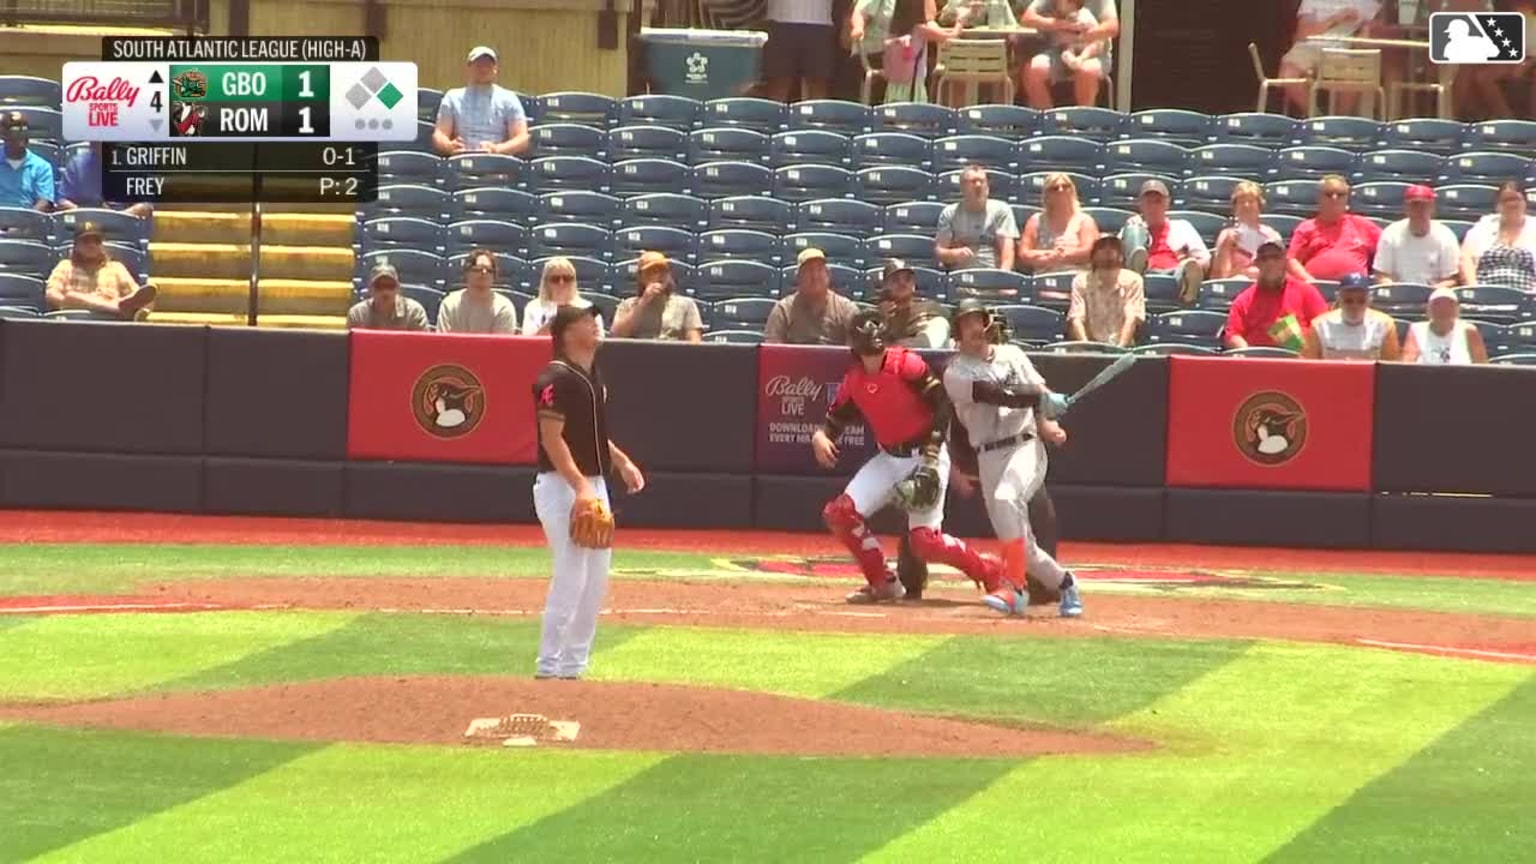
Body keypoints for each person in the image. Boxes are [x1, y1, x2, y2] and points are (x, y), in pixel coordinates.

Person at [810, 309, 1005, 604]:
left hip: (926, 455)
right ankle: (882, 582)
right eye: (868, 350)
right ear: (857, 350)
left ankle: (990, 572)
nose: (875, 356)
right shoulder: (855, 381)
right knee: (840, 513)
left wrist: (931, 454)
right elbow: (835, 420)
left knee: (925, 541)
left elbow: (941, 406)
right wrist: (820, 436)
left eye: (878, 349)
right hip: (889, 458)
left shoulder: (906, 365)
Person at [942, 299, 1083, 617]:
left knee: (1007, 498)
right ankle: (1066, 584)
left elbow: (1037, 389)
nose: (975, 329)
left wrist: (1047, 412)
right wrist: (1042, 398)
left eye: (978, 321)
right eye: (967, 324)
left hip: (1024, 446)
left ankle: (1015, 588)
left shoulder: (1013, 355)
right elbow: (996, 394)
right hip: (988, 457)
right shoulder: (955, 373)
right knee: (1022, 544)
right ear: (957, 335)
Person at [531, 304, 645, 680]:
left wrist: (622, 462)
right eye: (584, 321)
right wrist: (580, 486)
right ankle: (548, 666)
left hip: (593, 483)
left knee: (595, 579)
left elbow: (594, 434)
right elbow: (552, 439)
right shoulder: (553, 378)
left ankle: (573, 666)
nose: (594, 325)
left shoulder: (593, 376)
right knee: (571, 575)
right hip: (562, 485)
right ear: (566, 333)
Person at [1224, 241, 1330, 350]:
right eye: (1264, 259)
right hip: (1258, 362)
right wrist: (1246, 352)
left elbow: (1324, 330)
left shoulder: (1306, 292)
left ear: (1285, 261)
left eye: (1276, 257)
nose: (1270, 262)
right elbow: (1233, 334)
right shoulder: (1244, 299)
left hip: (1296, 360)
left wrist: (1291, 337)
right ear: (1257, 264)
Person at [43, 221, 158, 320]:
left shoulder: (116, 268)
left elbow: (138, 295)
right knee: (72, 297)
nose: (91, 245)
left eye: (96, 241)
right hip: (75, 323)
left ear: (102, 245)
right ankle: (117, 308)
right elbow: (51, 295)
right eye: (86, 241)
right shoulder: (66, 266)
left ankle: (120, 309)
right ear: (76, 246)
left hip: (109, 325)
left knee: (145, 299)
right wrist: (69, 303)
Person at [1119, 178, 1210, 303]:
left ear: (1167, 203)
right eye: (1148, 202)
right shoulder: (1131, 227)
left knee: (1187, 267)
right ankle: (1136, 274)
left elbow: (1205, 259)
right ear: (1140, 204)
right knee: (1134, 239)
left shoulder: (1182, 226)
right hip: (1145, 271)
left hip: (1173, 273)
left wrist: (1188, 263)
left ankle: (1188, 291)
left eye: (1158, 201)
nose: (1153, 207)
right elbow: (1115, 258)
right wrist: (1133, 230)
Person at [1019, 0, 1120, 108]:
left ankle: (1082, 121)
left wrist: (1081, 36)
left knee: (1086, 71)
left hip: (1094, 52)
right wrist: (1063, 25)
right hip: (1060, 50)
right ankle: (1048, 121)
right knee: (1033, 70)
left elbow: (1112, 28)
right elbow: (1027, 19)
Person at [433, 46, 530, 157]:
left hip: (497, 164)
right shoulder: (452, 97)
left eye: (488, 65)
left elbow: (522, 139)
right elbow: (439, 134)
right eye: (478, 64)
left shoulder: (509, 98)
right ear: (468, 67)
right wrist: (449, 146)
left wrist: (497, 149)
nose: (483, 69)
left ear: (495, 69)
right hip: (461, 161)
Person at [1290, 175, 1383, 283]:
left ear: (1347, 198)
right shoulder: (1306, 227)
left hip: (1355, 293)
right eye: (1329, 194)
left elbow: (1387, 248)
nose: (1334, 198)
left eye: (1340, 194)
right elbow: (1292, 260)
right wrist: (1310, 282)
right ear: (1319, 198)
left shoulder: (1362, 225)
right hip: (1316, 290)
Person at [1211, 181, 1308, 282]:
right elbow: (1223, 278)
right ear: (1235, 208)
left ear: (1259, 206)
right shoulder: (1226, 236)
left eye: (1251, 201)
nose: (1246, 205)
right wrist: (1227, 246)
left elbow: (1279, 271)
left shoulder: (1271, 235)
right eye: (1241, 202)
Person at [763, 247, 860, 343]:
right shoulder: (783, 310)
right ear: (798, 277)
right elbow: (772, 350)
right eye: (808, 270)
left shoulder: (846, 309)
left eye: (819, 269)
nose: (815, 276)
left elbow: (857, 351)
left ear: (828, 275)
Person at [1373, 185, 1462, 289]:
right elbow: (1382, 274)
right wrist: (1395, 290)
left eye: (1424, 205)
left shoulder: (1446, 235)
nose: (1419, 210)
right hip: (1398, 294)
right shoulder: (1391, 233)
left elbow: (1451, 279)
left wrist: (1429, 293)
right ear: (1406, 208)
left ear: (1432, 208)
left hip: (1433, 294)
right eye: (1414, 205)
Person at [875, 0, 963, 103]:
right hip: (913, 84)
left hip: (894, 84)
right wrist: (960, 22)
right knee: (914, 116)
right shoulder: (920, 30)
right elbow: (948, 36)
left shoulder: (893, 31)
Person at [935, 164, 1019, 271]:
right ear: (962, 188)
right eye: (973, 182)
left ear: (988, 187)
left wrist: (1003, 279)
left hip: (993, 274)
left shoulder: (1001, 210)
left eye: (982, 181)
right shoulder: (950, 213)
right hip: (961, 278)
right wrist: (954, 254)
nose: (978, 185)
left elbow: (1008, 253)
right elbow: (940, 251)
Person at [1301, 273, 1401, 360]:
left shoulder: (1385, 324)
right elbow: (1308, 363)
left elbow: (1390, 365)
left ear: (1369, 300)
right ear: (1339, 299)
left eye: (1361, 301)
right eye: (1349, 301)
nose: (1355, 306)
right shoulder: (1320, 325)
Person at [1067, 235, 1145, 346]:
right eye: (1102, 246)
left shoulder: (1133, 280)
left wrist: (1120, 349)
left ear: (1122, 255)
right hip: (1091, 345)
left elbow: (1131, 318)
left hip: (1123, 346)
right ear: (1093, 255)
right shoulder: (1081, 281)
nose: (1108, 250)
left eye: (1113, 246)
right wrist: (1086, 347)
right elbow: (1076, 318)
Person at [1459, 180, 1536, 292]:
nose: (1512, 204)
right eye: (1506, 200)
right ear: (1498, 206)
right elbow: (1465, 258)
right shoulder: (1483, 225)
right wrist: (1474, 289)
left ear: (1525, 203)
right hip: (1485, 292)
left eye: (1516, 199)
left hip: (1528, 296)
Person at [611, 251, 705, 341]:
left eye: (662, 271)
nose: (659, 275)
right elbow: (617, 335)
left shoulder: (686, 305)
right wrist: (643, 302)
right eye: (652, 272)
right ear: (641, 278)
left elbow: (695, 342)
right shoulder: (628, 305)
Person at [1017, 172, 1098, 275]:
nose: (1061, 190)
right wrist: (1049, 256)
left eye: (1065, 186)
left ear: (1072, 191)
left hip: (1078, 279)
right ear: (1047, 195)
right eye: (1054, 188)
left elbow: (1090, 251)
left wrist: (1063, 256)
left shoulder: (1085, 221)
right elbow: (1024, 253)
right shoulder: (1036, 220)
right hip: (1045, 279)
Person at [761, 0, 838, 103]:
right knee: (778, 83)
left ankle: (817, 118)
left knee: (818, 84)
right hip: (780, 22)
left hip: (821, 22)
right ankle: (775, 117)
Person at [57, 142, 153, 217]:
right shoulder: (77, 164)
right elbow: (63, 201)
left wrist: (117, 217)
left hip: (123, 227)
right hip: (85, 229)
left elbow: (145, 205)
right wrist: (87, 216)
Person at [1401, 286, 1490, 364]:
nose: (1443, 310)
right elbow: (1408, 364)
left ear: (1457, 310)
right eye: (1437, 305)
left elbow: (1482, 367)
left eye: (1449, 305)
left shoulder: (1468, 330)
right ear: (1428, 310)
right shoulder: (1417, 330)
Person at [522, 257, 607, 337]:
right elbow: (528, 343)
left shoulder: (588, 309)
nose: (561, 283)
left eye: (567, 278)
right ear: (546, 282)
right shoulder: (533, 308)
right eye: (555, 279)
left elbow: (599, 342)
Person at [438, 250, 518, 333]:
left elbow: (501, 344)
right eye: (478, 269)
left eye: (489, 270)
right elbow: (442, 342)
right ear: (467, 272)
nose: (484, 273)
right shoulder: (450, 304)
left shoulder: (503, 307)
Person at [877, 258, 951, 347]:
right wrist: (880, 319)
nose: (902, 283)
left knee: (940, 322)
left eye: (907, 279)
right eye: (895, 280)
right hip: (890, 357)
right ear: (885, 286)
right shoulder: (876, 314)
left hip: (926, 357)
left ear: (914, 284)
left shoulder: (930, 307)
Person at [346, 263, 429, 331]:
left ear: (398, 289)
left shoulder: (414, 313)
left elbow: (423, 347)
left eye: (390, 286)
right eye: (379, 286)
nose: (385, 292)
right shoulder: (357, 315)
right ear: (370, 289)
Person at [0, 112, 53, 211]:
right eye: (15, 133)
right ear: (3, 135)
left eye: (24, 132)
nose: (21, 138)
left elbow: (44, 201)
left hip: (28, 222)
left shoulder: (41, 166)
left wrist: (24, 220)